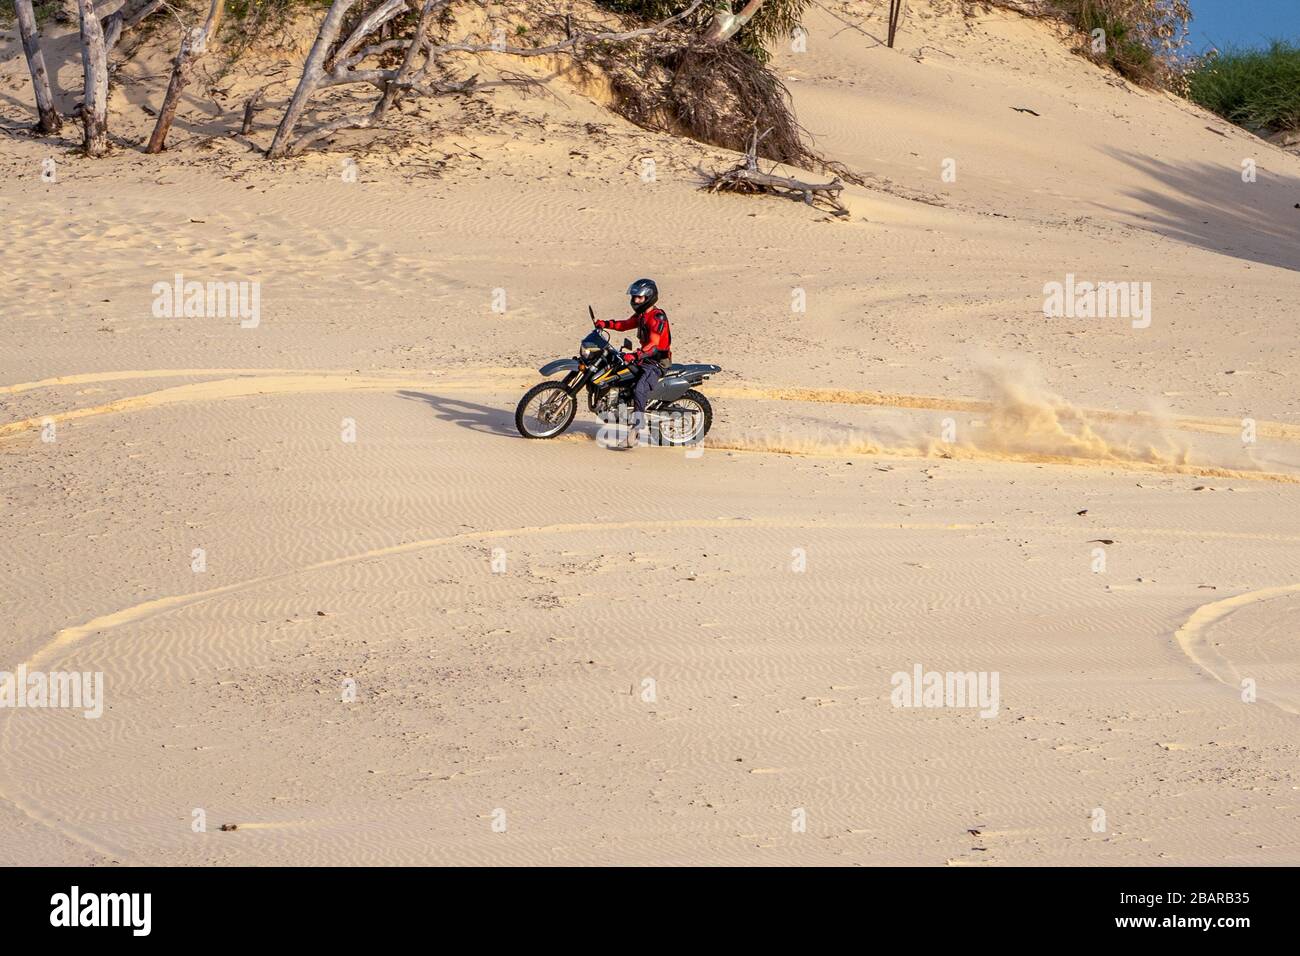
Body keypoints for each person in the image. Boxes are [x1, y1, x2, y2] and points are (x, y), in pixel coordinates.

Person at [595, 278, 672, 444]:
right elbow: (624, 325)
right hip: (644, 359)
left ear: (649, 297)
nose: (635, 300)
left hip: (656, 363)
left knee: (639, 389)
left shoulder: (657, 317)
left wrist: (636, 355)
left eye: (639, 297)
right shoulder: (643, 315)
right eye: (634, 297)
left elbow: (653, 345)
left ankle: (635, 431)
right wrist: (604, 323)